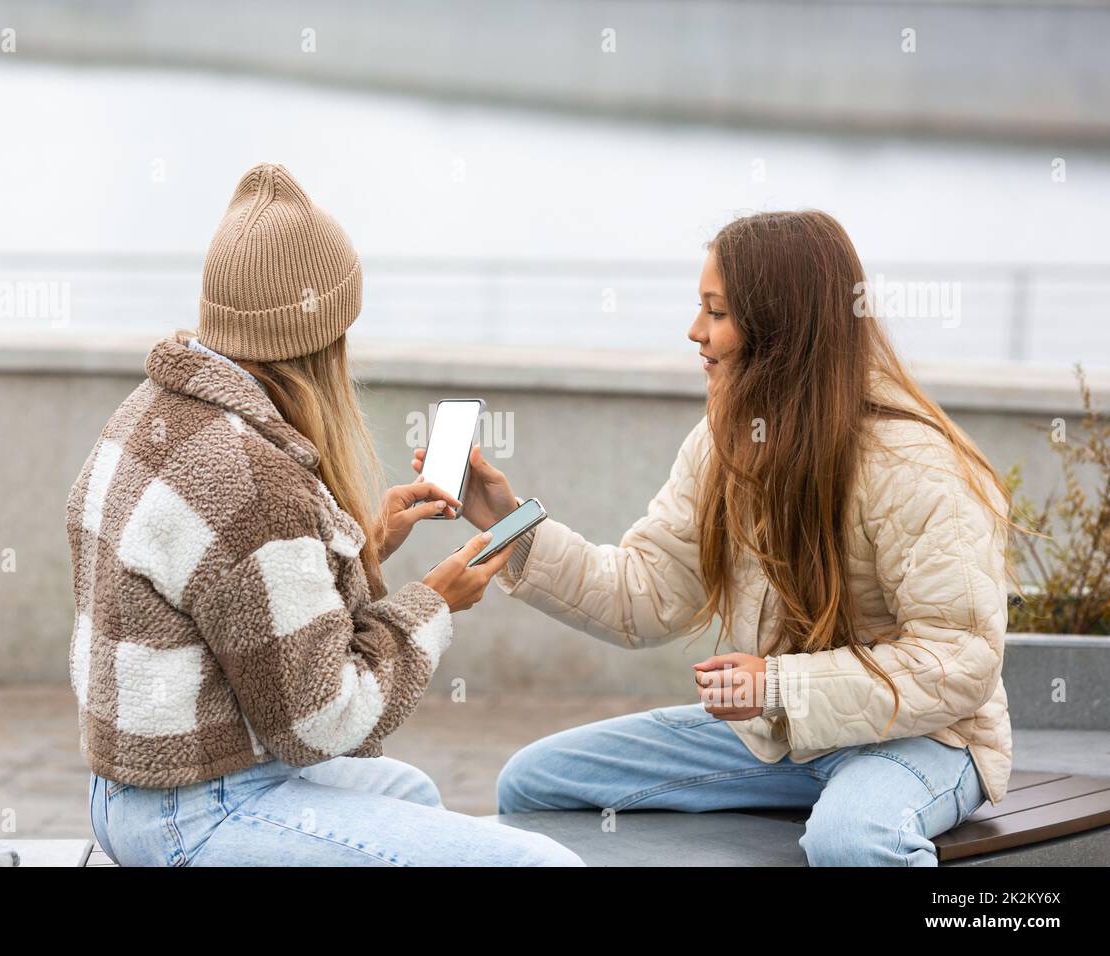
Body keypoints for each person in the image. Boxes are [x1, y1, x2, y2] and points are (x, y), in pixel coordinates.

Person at [418, 210, 1019, 866]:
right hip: (785, 738)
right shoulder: (721, 445)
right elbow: (641, 597)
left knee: (853, 838)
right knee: (538, 782)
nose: (695, 331)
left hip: (927, 740)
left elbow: (958, 659)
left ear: (779, 328)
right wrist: (512, 526)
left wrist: (781, 685)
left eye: (717, 312)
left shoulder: (910, 461)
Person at [67, 162, 583, 866]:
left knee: (408, 793)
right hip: (195, 807)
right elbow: (321, 718)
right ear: (323, 335)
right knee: (541, 865)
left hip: (126, 788)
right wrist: (433, 603)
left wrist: (364, 547)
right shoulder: (254, 482)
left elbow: (232, 600)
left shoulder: (151, 415)